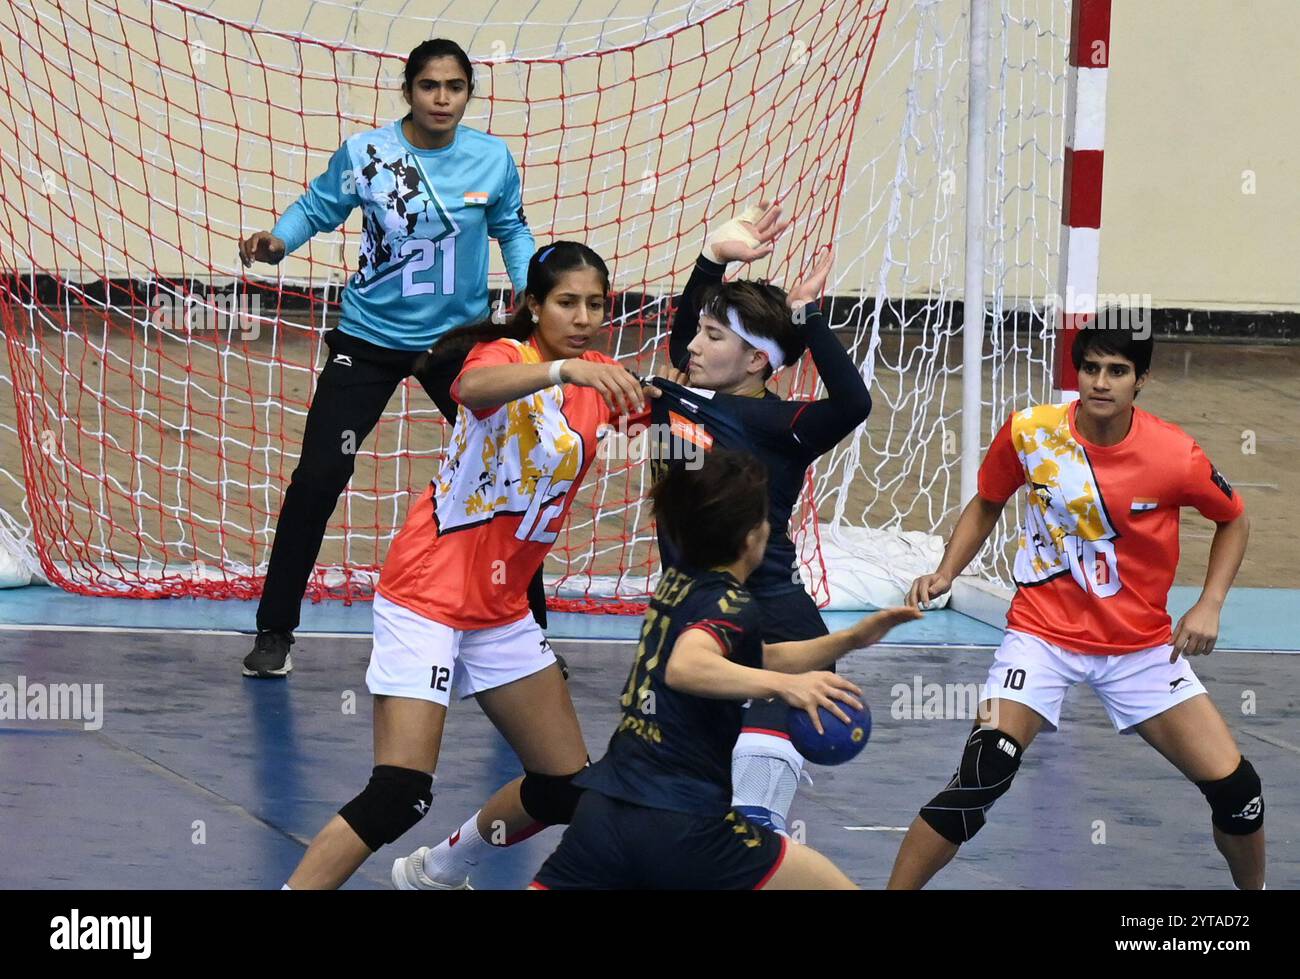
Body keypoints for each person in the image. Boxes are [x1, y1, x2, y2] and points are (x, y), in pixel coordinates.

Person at [283, 241, 650, 889]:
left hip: (500, 610)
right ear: (533, 305)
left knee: (565, 785)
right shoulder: (511, 359)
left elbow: (681, 405)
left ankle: (439, 870)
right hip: (427, 592)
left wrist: (709, 267)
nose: (584, 315)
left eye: (597, 303)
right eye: (567, 301)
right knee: (399, 791)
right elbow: (471, 387)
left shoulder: (600, 378)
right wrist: (565, 373)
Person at [886, 326, 1264, 889]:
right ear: (1076, 374)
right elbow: (989, 501)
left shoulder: (1175, 455)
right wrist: (946, 572)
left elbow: (1233, 517)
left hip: (1137, 648)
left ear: (1141, 380)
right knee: (981, 775)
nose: (1101, 382)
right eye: (1091, 369)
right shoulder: (1031, 433)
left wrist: (1209, 603)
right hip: (1041, 638)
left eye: (1117, 371)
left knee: (1239, 795)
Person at [239, 38, 538, 678]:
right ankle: (274, 632)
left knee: (507, 479)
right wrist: (277, 241)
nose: (442, 98)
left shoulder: (492, 158)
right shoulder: (368, 154)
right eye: (429, 86)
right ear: (409, 90)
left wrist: (529, 286)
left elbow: (511, 226)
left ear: (468, 94)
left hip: (457, 347)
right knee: (318, 479)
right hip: (369, 340)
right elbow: (320, 207)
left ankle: (528, 637)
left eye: (455, 87)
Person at [529, 450, 920, 889]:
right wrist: (787, 687)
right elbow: (688, 667)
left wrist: (849, 640)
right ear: (752, 538)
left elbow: (747, 657)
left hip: (604, 812)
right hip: (686, 826)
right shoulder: (732, 603)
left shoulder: (678, 584)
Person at [650, 200, 874, 835]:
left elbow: (852, 402)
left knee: (752, 813)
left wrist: (809, 317)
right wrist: (712, 260)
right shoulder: (679, 394)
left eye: (714, 337)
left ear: (756, 361)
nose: (693, 345)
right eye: (697, 333)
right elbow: (684, 336)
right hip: (691, 610)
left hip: (770, 612)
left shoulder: (781, 427)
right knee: (683, 797)